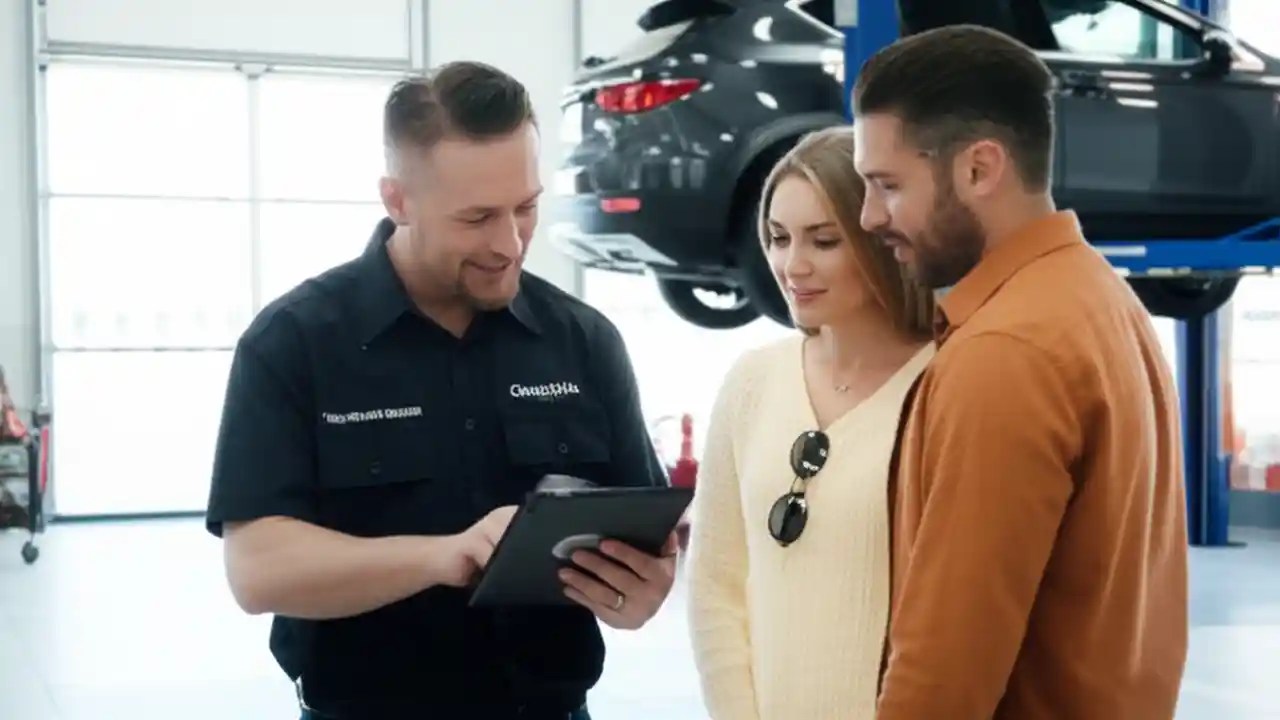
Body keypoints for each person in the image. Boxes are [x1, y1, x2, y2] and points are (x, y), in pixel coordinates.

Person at [205, 61, 678, 720]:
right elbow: (258, 571)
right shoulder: (294, 344)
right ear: (396, 199)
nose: (510, 243)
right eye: (477, 217)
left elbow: (644, 552)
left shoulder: (586, 342)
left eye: (526, 207)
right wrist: (442, 557)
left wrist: (643, 590)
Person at [850, 25, 1188, 719]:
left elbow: (945, 674)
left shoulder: (1007, 352)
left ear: (979, 168)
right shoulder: (1100, 300)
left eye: (887, 185)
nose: (869, 216)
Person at [686, 126, 936, 720]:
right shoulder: (753, 381)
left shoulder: (945, 385)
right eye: (777, 238)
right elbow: (716, 586)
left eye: (823, 241)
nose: (791, 265)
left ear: (881, 239)